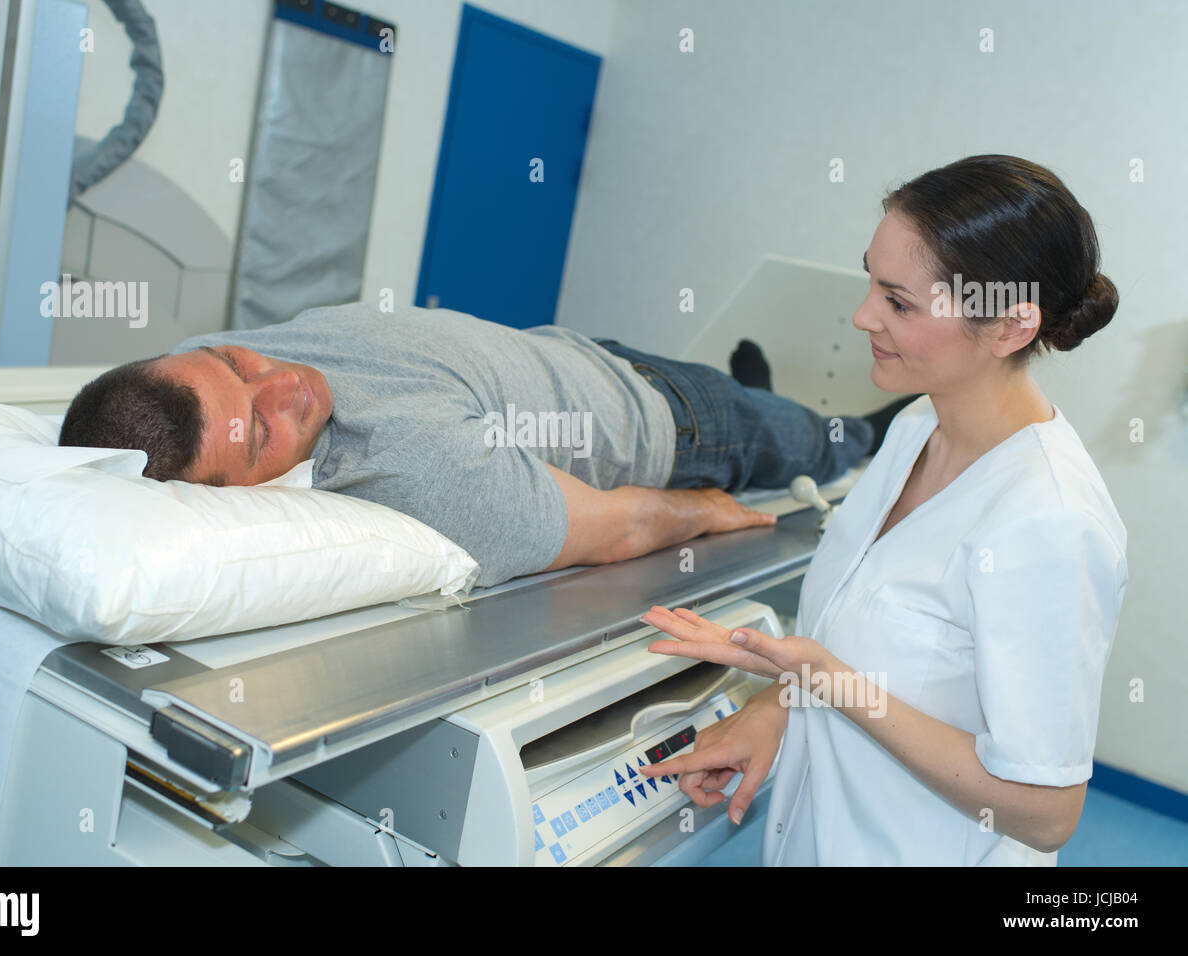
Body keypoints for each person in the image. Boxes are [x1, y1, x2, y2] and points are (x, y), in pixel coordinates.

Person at [636, 155, 1128, 866]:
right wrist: (777, 708)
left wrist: (822, 678)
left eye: (899, 302)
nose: (864, 315)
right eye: (870, 279)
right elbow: (874, 653)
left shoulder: (1049, 523)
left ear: (1012, 328)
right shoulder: (915, 427)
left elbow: (1046, 814)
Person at [59, 305, 912, 589]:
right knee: (817, 441)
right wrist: (707, 510)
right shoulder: (411, 463)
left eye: (237, 364)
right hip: (680, 427)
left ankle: (757, 387)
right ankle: (865, 429)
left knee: (766, 401)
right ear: (243, 495)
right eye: (263, 431)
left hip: (587, 352)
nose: (285, 384)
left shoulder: (203, 373)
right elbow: (614, 528)